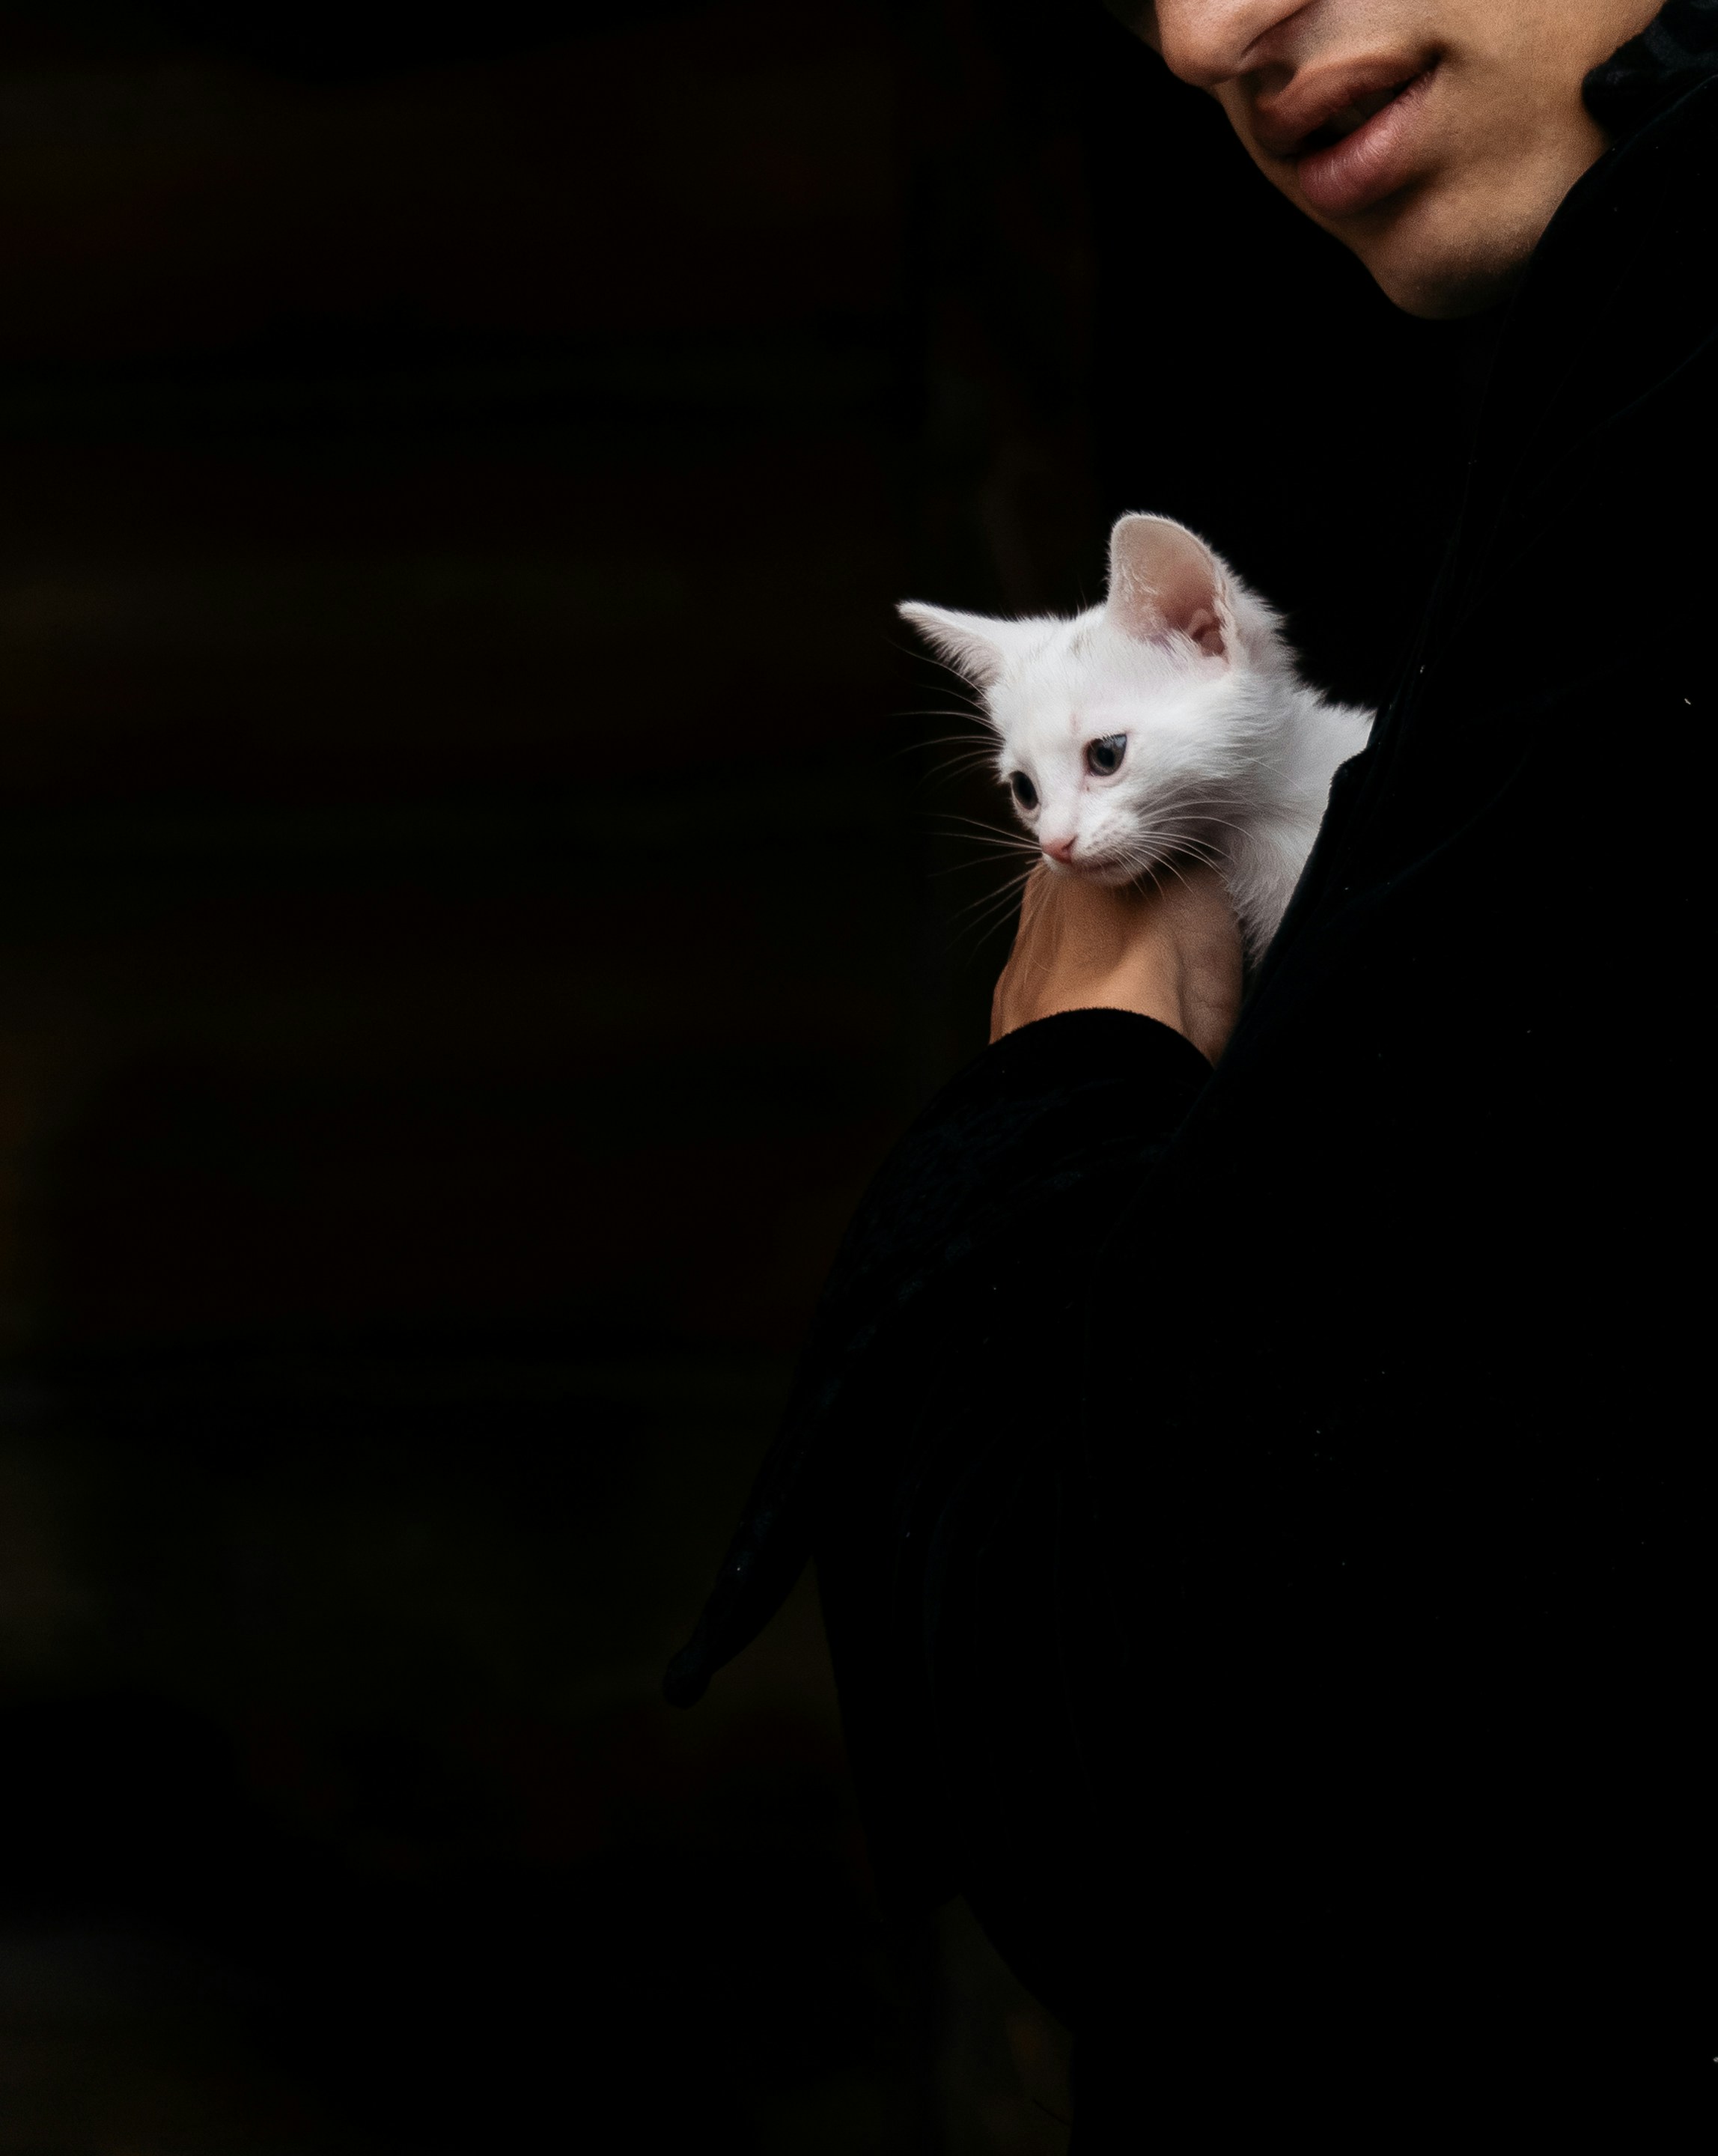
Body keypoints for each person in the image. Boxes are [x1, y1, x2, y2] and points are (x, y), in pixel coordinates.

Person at [668, 2, 1709, 2138]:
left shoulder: (1691, 402)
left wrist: (1065, 1074)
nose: (1199, 29)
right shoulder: (1558, 395)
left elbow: (1195, 1766)